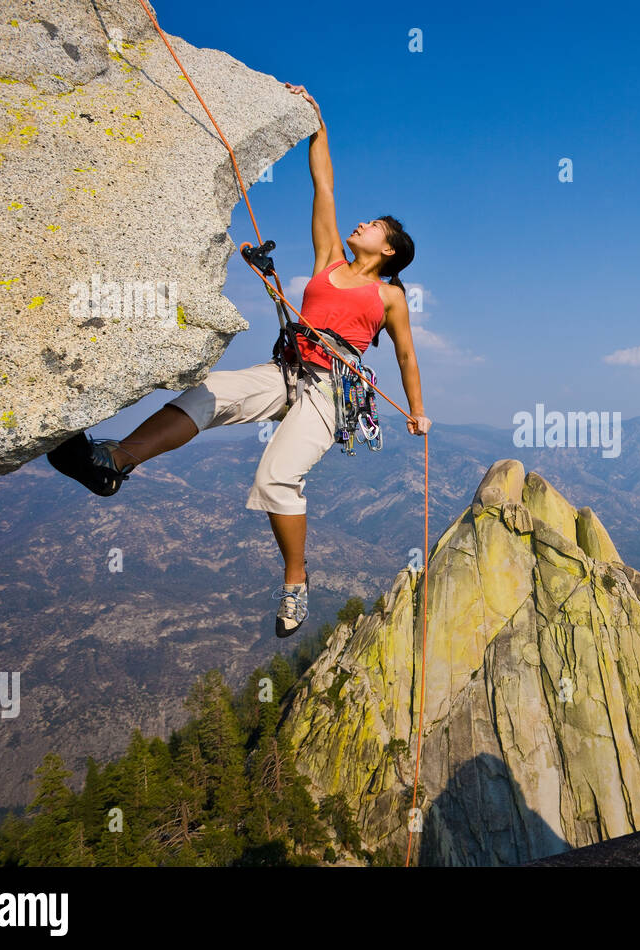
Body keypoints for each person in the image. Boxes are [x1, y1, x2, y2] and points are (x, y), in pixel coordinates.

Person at [47, 82, 431, 639]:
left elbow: (406, 356)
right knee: (207, 395)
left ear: (389, 249)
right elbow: (323, 185)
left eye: (374, 226)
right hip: (287, 371)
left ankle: (295, 579)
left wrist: (417, 410)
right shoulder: (328, 260)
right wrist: (316, 121)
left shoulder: (390, 296)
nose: (361, 225)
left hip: (331, 391)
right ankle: (115, 463)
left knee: (276, 477)